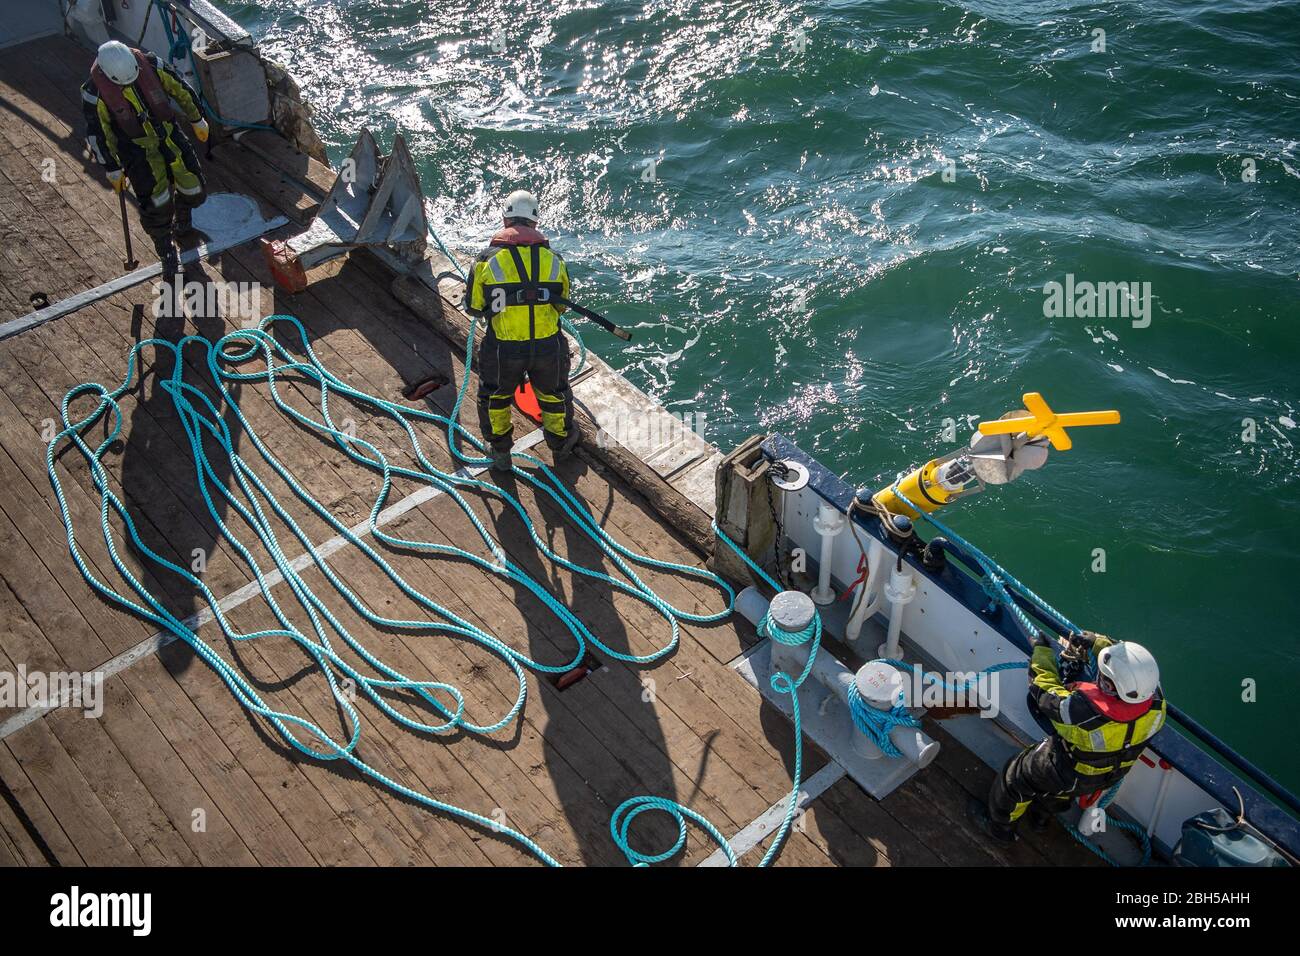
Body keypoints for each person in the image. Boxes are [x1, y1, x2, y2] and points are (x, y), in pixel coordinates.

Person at [970, 630, 1167, 842]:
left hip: (1066, 770)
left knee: (1016, 780)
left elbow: (1043, 692)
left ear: (1110, 687)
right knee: (1059, 793)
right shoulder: (1157, 706)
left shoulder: (1082, 714)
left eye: (1104, 678)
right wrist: (1095, 643)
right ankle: (1039, 820)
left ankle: (1000, 830)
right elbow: (1131, 670)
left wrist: (1042, 650)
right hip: (1107, 775)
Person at [464, 189, 577, 471]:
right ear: (535, 223)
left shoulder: (486, 260)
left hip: (503, 347)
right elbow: (561, 306)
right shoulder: (555, 260)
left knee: (495, 397)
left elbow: (475, 307)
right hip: (547, 346)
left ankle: (501, 452)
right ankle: (560, 445)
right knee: (554, 396)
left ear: (505, 220)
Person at [82, 40, 209, 276]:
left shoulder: (152, 64)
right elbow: (98, 134)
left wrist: (196, 118)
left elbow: (181, 88)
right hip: (138, 152)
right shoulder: (94, 94)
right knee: (156, 204)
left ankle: (183, 220)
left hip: (170, 137)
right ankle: (165, 249)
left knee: (195, 188)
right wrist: (112, 167)